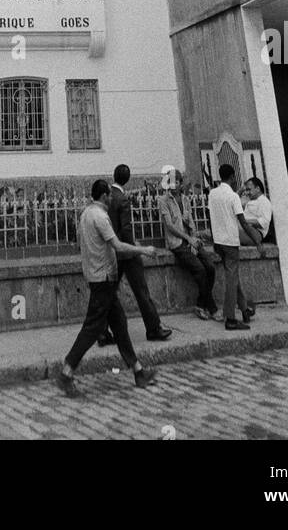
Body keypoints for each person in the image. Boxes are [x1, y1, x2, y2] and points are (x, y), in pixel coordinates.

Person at [56, 180, 159, 398]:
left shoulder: (85, 214)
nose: (111, 198)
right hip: (103, 278)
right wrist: (144, 250)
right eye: (109, 196)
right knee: (92, 327)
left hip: (98, 276)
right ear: (104, 196)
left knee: (120, 324)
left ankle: (138, 371)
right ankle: (66, 372)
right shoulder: (100, 217)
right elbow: (118, 247)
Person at [98, 165, 171, 345]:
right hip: (127, 253)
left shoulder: (108, 196)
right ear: (128, 179)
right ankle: (153, 328)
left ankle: (101, 331)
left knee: (109, 293)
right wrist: (135, 247)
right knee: (141, 291)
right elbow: (125, 228)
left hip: (113, 251)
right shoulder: (122, 199)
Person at [159, 168, 218, 321]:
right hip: (177, 243)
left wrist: (193, 238)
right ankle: (212, 307)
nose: (173, 185)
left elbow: (190, 220)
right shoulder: (163, 201)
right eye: (170, 182)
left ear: (180, 183)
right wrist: (188, 239)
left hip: (190, 240)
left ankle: (200, 304)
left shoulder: (185, 199)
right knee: (199, 269)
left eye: (176, 182)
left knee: (210, 267)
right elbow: (170, 226)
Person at [208, 164, 259, 331]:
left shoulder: (212, 194)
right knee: (231, 280)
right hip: (230, 242)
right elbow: (243, 223)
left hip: (218, 242)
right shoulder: (233, 197)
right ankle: (230, 318)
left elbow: (212, 217)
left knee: (233, 276)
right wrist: (258, 243)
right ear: (232, 177)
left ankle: (244, 309)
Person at [242, 177, 273, 244]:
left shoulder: (264, 202)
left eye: (249, 190)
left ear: (258, 189)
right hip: (246, 229)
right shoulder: (250, 201)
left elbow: (264, 222)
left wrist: (243, 221)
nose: (247, 193)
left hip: (256, 233)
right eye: (246, 190)